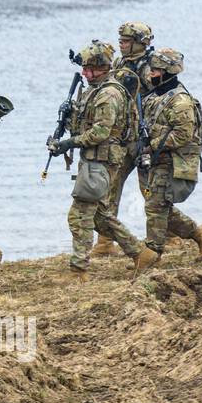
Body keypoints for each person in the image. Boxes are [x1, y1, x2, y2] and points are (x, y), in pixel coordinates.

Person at [46, 41, 146, 277]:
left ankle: (78, 269)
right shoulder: (93, 90)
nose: (85, 72)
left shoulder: (108, 94)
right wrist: (68, 118)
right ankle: (139, 253)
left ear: (102, 68)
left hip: (102, 160)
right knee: (101, 218)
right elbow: (85, 125)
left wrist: (69, 144)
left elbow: (101, 132)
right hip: (93, 159)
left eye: (89, 68)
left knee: (79, 216)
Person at [134, 49, 202, 271]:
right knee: (161, 207)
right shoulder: (154, 96)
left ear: (167, 72)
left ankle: (152, 253)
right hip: (156, 160)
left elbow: (183, 135)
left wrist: (152, 145)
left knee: (155, 207)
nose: (151, 73)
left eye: (156, 70)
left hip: (171, 161)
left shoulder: (180, 102)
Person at [93, 21, 156, 257]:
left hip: (144, 138)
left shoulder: (152, 66)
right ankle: (105, 242)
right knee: (109, 188)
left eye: (126, 41)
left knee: (151, 191)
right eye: (121, 40)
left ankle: (160, 237)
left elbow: (159, 97)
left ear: (140, 42)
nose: (121, 44)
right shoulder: (121, 63)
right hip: (124, 136)